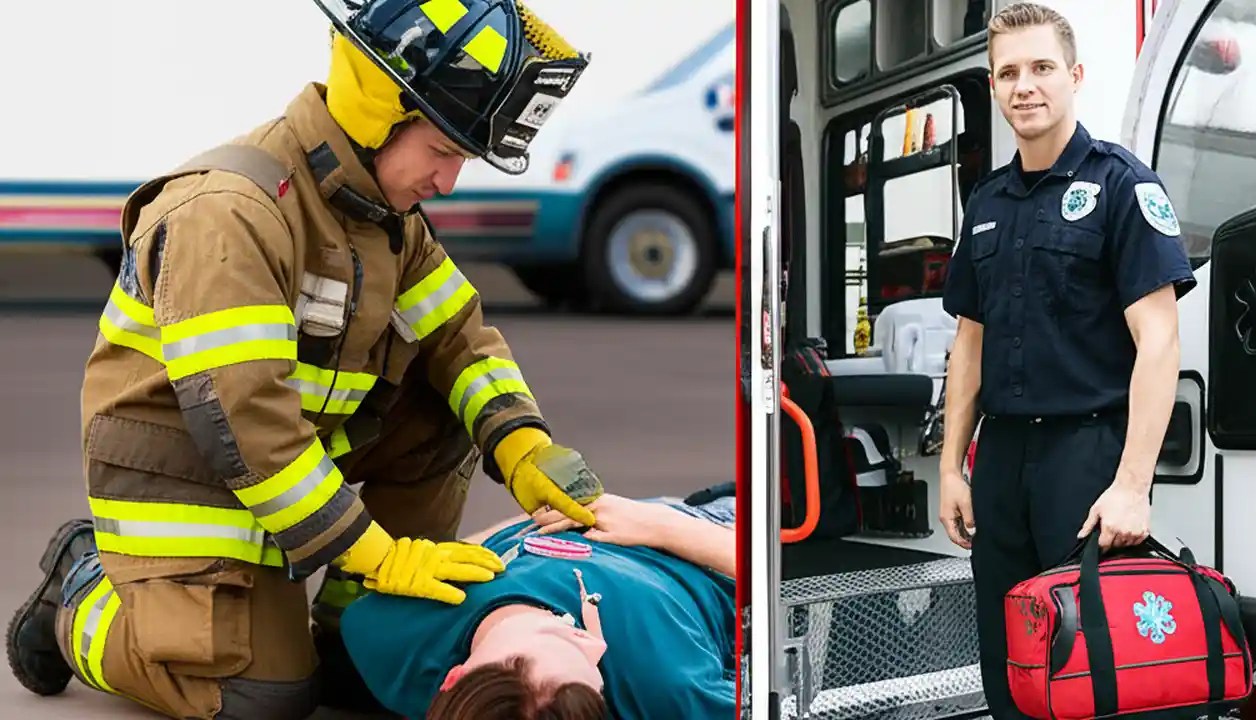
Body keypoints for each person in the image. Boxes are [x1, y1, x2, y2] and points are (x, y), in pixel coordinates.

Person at [6, 2, 606, 718]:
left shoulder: (378, 212)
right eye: (442, 151)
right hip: (186, 474)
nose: (448, 180)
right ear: (381, 108)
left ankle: (352, 632)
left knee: (449, 403)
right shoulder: (230, 213)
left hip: (281, 455)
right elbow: (245, 422)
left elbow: (458, 337)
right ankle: (81, 592)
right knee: (256, 698)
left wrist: (524, 444)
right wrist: (375, 551)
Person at [937, 4, 1196, 719]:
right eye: (1008, 73)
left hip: (1087, 460)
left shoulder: (1122, 185)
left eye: (1041, 68)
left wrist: (1132, 486)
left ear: (1075, 76)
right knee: (1010, 662)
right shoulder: (986, 202)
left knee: (1092, 667)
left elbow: (1159, 341)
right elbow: (969, 343)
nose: (1025, 86)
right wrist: (952, 467)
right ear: (994, 84)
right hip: (1001, 460)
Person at [338, 488, 738, 719]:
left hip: (621, 514)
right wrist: (667, 528)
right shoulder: (666, 686)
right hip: (727, 540)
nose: (593, 642)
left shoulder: (383, 633)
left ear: (451, 679)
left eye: (552, 631)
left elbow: (512, 539)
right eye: (598, 682)